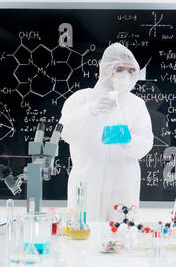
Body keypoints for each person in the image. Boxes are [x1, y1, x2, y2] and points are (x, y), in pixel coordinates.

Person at [59, 43, 153, 221]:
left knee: (121, 236)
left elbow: (145, 144)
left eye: (131, 70)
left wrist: (126, 139)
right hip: (87, 184)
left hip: (123, 185)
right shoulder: (81, 99)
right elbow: (66, 133)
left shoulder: (136, 104)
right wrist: (90, 111)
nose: (125, 74)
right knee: (83, 236)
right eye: (119, 69)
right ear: (106, 69)